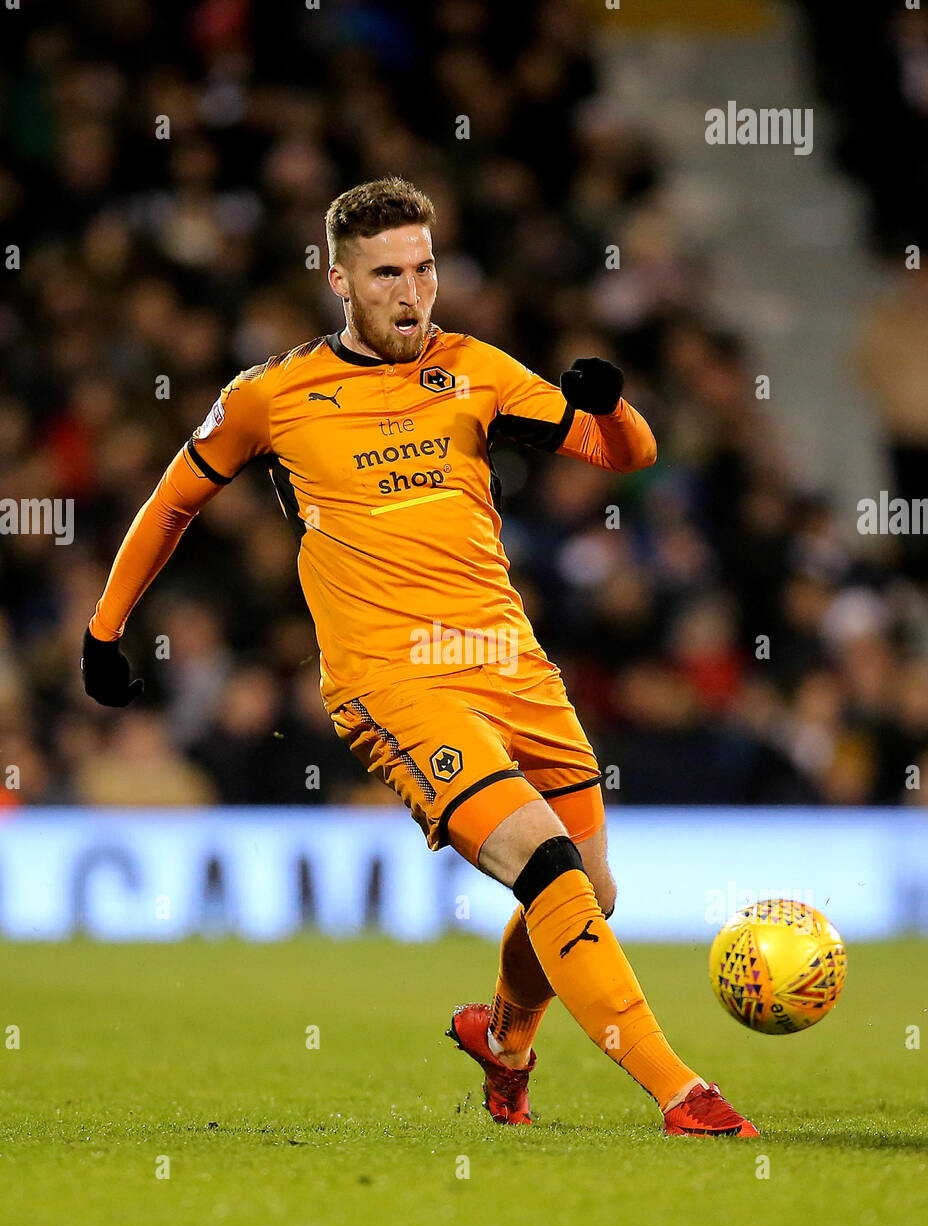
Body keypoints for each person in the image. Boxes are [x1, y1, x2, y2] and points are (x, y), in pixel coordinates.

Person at [82, 176, 757, 1137]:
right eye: (388, 273)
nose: (412, 292)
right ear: (340, 280)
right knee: (552, 871)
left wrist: (610, 409)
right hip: (393, 678)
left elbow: (628, 456)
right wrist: (104, 629)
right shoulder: (271, 396)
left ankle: (505, 1041)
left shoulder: (476, 369)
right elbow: (171, 503)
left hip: (510, 661)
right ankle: (682, 1092)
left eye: (425, 269)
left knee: (591, 894)